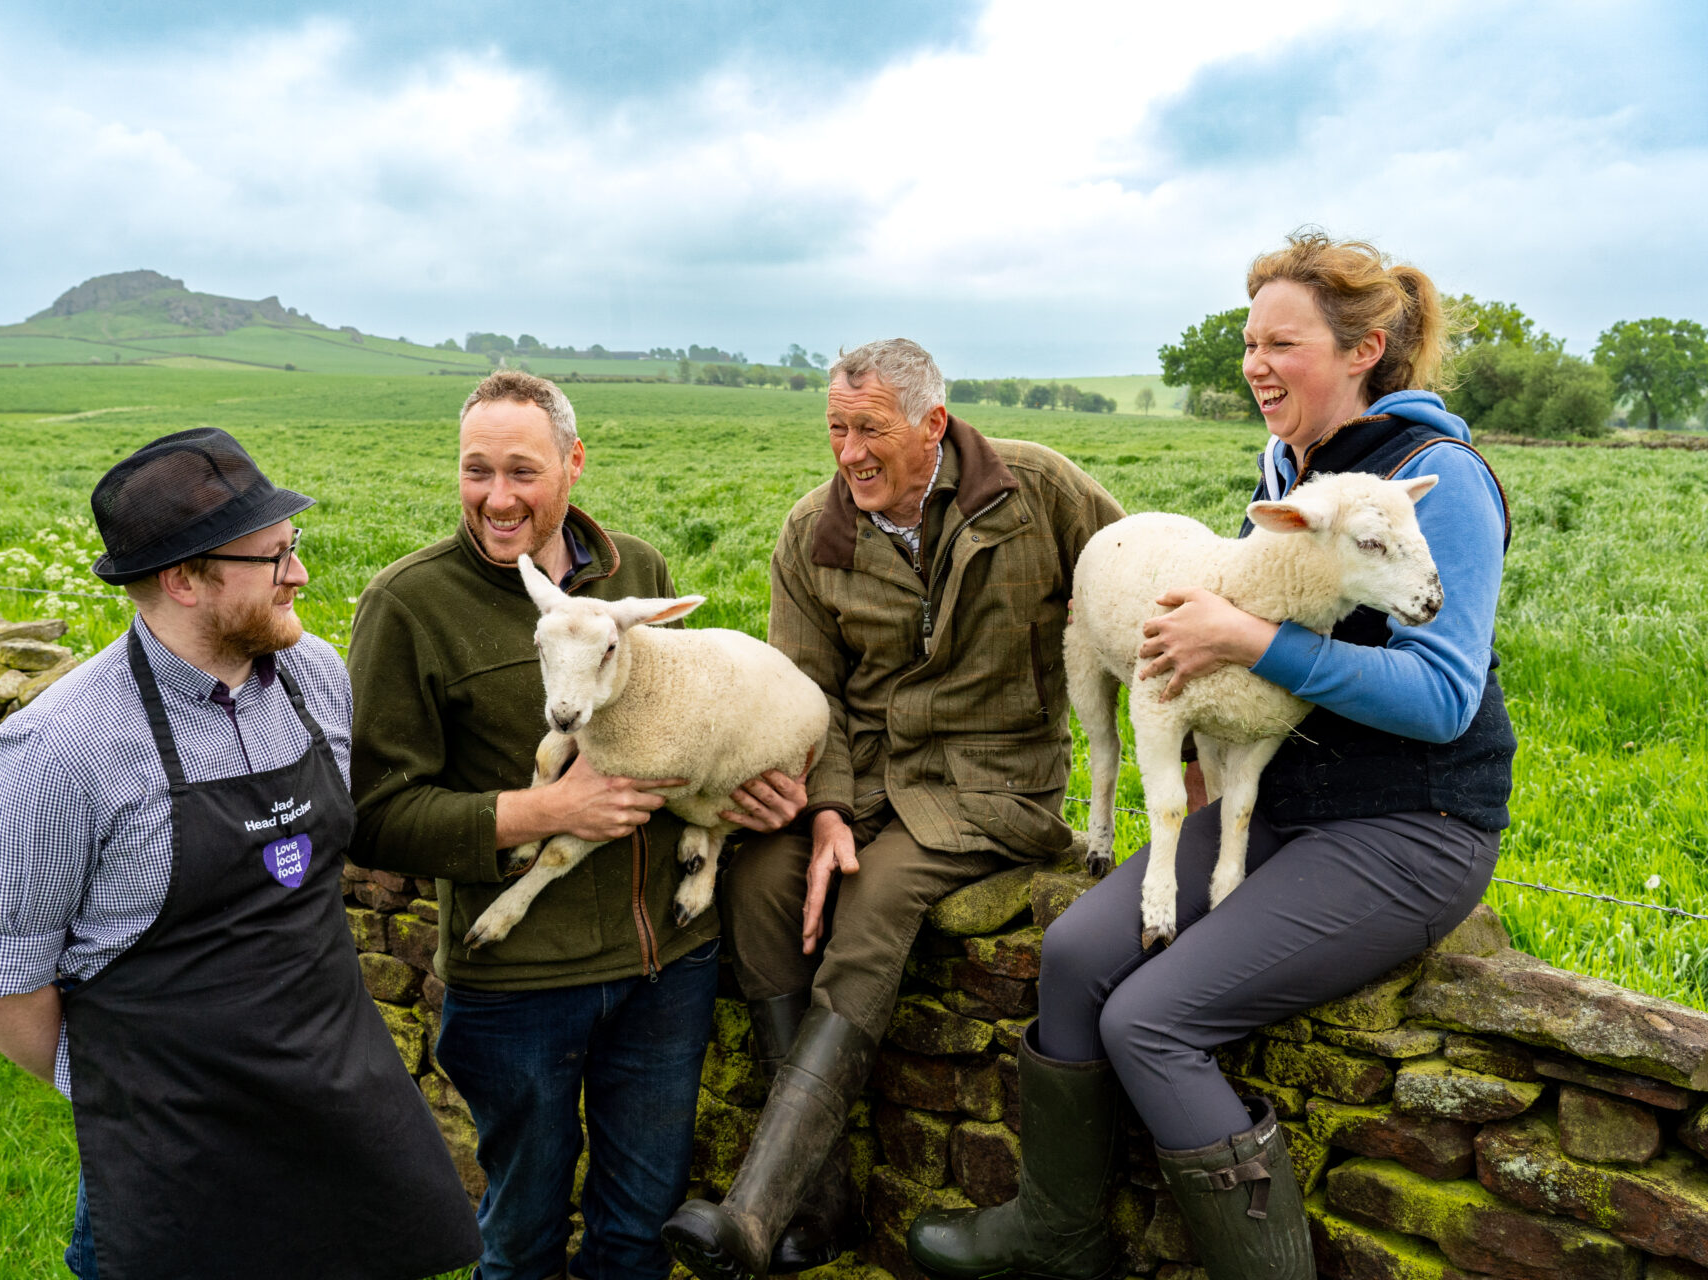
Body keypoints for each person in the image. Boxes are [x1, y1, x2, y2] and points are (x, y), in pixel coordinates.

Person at [907, 233, 1514, 1280]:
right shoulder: (1292, 473)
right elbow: (1240, 661)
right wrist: (1199, 735)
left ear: (1364, 349)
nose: (1255, 365)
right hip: (1278, 803)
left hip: (1411, 827)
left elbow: (1443, 697)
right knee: (1075, 954)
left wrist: (1252, 640)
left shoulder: (1439, 478)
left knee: (1151, 1020)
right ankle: (1059, 1235)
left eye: (1283, 344)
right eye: (1249, 343)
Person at [0, 427, 479, 1280]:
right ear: (184, 580)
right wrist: (123, 1087)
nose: (299, 574)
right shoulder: (59, 753)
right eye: (273, 558)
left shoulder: (314, 676)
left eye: (293, 546)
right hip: (174, 1152)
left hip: (332, 1101)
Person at [663, 339, 1126, 1278]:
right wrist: (827, 811)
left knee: (875, 900)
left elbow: (1139, 585)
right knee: (759, 885)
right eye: (836, 429)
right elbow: (809, 695)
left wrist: (1186, 751)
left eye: (869, 429)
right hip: (863, 778)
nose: (849, 452)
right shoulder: (812, 532)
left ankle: (753, 1212)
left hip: (994, 786)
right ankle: (820, 1203)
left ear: (932, 424)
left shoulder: (1037, 491)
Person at [346, 370, 806, 1280]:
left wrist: (761, 796)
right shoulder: (410, 606)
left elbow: (692, 729)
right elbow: (370, 818)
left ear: (573, 463)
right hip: (519, 985)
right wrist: (543, 811)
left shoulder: (639, 573)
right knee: (521, 1240)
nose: (497, 497)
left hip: (667, 971)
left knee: (638, 1234)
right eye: (476, 470)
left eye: (523, 470)